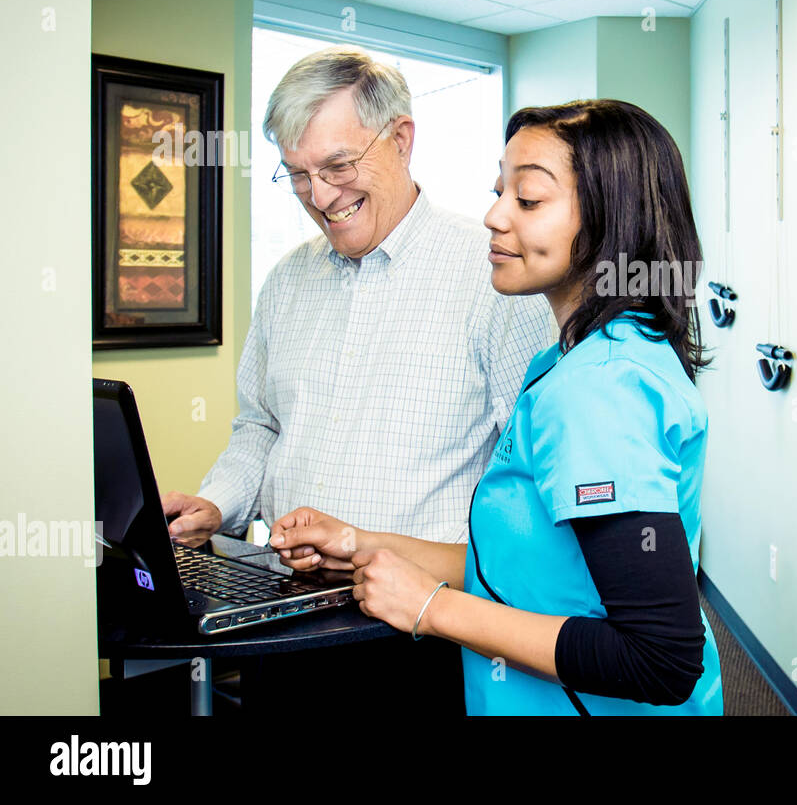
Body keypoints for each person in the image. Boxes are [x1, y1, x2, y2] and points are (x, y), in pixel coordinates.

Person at [270, 99, 724, 715]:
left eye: (528, 201)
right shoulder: (572, 363)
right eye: (498, 192)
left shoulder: (600, 388)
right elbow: (515, 574)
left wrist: (432, 609)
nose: (493, 216)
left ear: (614, 220)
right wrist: (358, 542)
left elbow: (661, 656)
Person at [161, 46, 554, 713]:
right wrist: (216, 504)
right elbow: (260, 424)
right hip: (282, 617)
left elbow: (533, 483)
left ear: (401, 139)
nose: (320, 197)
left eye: (339, 166)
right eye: (298, 175)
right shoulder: (287, 280)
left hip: (421, 637)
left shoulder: (495, 276)